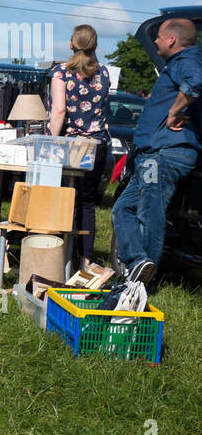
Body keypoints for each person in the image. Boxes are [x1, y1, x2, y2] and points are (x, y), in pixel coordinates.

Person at [111, 18, 202, 284]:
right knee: (122, 209)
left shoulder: (187, 61)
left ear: (171, 39)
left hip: (164, 154)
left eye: (159, 37)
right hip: (153, 153)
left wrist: (175, 112)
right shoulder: (179, 63)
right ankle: (138, 263)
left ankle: (140, 282)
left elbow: (196, 81)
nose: (155, 41)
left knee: (149, 213)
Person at [48, 25, 110, 264]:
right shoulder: (104, 72)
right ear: (95, 45)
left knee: (67, 198)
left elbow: (59, 110)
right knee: (87, 202)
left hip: (71, 145)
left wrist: (50, 141)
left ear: (71, 44)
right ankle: (86, 258)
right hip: (98, 144)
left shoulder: (62, 72)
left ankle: (64, 255)